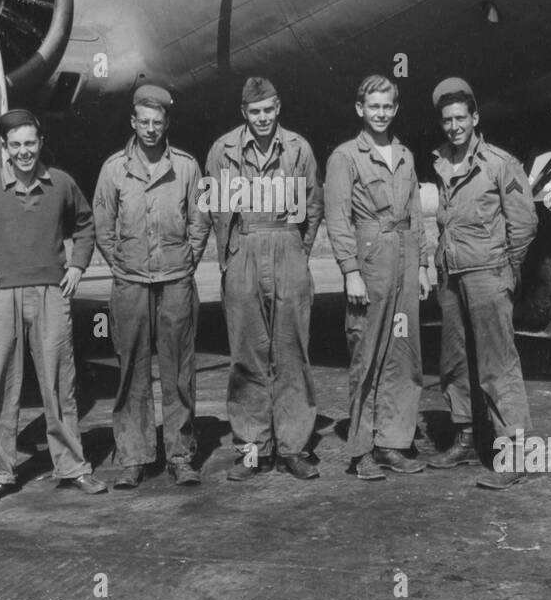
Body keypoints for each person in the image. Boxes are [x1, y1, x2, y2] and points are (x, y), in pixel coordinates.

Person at [0, 108, 106, 503]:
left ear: (40, 143)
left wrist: (78, 265)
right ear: (5, 148)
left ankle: (72, 467)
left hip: (51, 294)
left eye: (30, 143)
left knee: (59, 383)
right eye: (16, 145)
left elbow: (86, 224)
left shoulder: (61, 183)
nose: (24, 151)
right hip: (0, 298)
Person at [204, 77, 324, 481]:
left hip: (287, 242)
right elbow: (212, 206)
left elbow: (313, 205)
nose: (262, 118)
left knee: (292, 353)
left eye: (268, 110)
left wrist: (299, 251)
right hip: (244, 247)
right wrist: (228, 256)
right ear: (244, 112)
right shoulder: (222, 150)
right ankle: (253, 449)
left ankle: (293, 447)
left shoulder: (299, 148)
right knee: (247, 355)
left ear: (278, 108)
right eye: (254, 112)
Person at [423, 78, 537, 489]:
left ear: (475, 118)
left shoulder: (499, 163)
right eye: (447, 120)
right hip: (451, 275)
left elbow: (524, 223)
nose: (454, 126)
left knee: (497, 366)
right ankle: (467, 437)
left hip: (487, 274)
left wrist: (505, 267)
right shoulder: (441, 162)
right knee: (454, 363)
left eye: (460, 118)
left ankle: (515, 454)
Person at [93, 85, 209, 488]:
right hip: (131, 284)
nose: (150, 129)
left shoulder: (187, 167)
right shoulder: (113, 169)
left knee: (180, 372)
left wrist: (186, 262)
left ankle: (181, 455)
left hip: (176, 282)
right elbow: (103, 227)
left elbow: (200, 221)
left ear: (166, 123)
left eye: (157, 122)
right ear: (133, 122)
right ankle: (133, 456)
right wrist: (122, 266)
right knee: (132, 371)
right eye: (143, 121)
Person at [324, 75, 432, 481]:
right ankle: (361, 450)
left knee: (403, 353)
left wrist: (422, 265)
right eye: (374, 106)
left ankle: (393, 443)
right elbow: (338, 218)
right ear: (360, 109)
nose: (381, 113)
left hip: (405, 256)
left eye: (387, 106)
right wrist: (350, 271)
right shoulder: (344, 156)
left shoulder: (404, 154)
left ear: (395, 108)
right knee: (366, 353)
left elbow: (416, 213)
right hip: (371, 259)